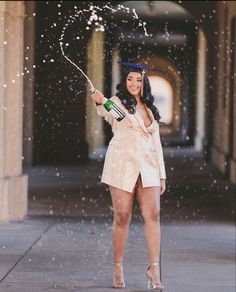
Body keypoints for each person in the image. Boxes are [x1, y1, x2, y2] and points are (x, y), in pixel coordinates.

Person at [91, 62, 166, 290]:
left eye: (138, 80)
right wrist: (100, 101)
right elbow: (108, 111)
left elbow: (157, 143)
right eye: (130, 79)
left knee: (152, 214)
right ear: (124, 82)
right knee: (122, 216)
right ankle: (117, 265)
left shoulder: (151, 110)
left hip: (149, 167)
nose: (134, 83)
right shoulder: (118, 104)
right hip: (122, 165)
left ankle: (154, 269)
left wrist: (162, 175)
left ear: (144, 82)